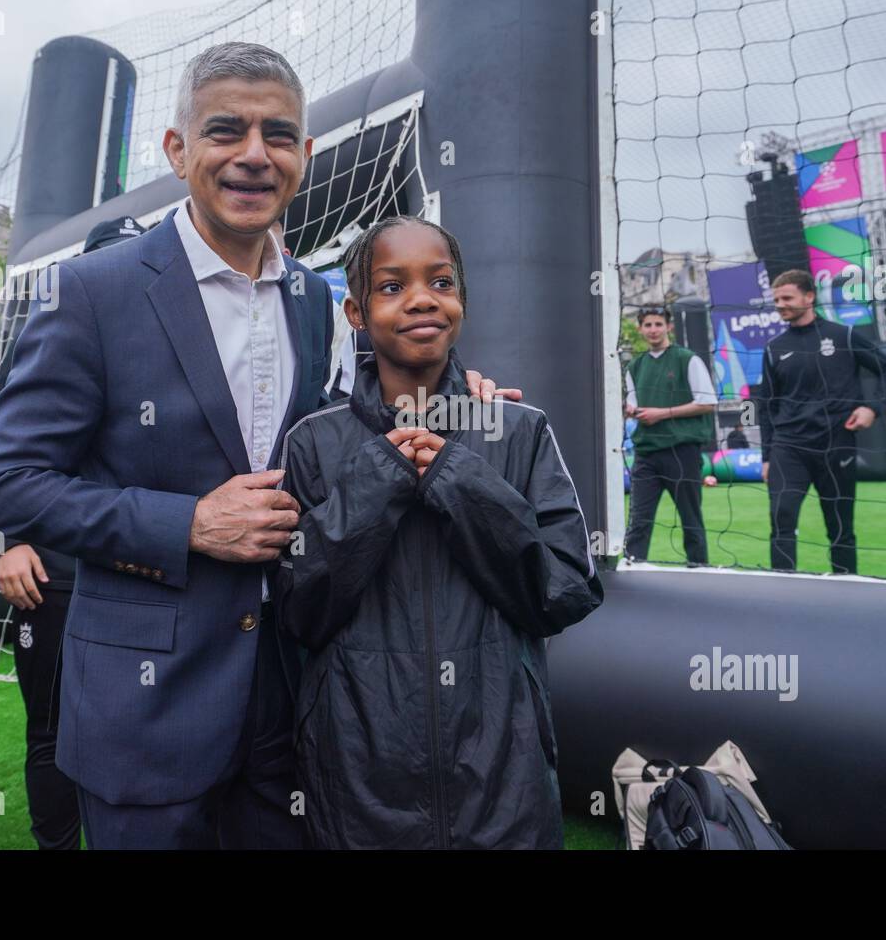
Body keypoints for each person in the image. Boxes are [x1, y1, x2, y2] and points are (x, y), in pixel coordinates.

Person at [0, 42, 516, 849]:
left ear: (305, 154)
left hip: (291, 700)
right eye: (227, 130)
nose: (255, 155)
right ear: (178, 149)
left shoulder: (310, 299)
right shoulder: (92, 292)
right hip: (146, 711)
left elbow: (341, 424)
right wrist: (186, 524)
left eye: (279, 134)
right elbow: (2, 484)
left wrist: (456, 396)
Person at [274, 216, 603, 848]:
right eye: (392, 286)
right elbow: (298, 610)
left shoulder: (519, 429)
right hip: (358, 770)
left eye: (441, 281)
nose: (422, 298)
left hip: (503, 772)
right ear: (355, 312)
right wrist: (377, 482)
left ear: (462, 301)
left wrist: (459, 479)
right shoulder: (314, 441)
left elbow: (563, 591)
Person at [0, 216, 144, 851]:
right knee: (51, 729)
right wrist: (11, 541)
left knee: (142, 724)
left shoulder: (175, 341)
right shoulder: (48, 338)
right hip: (53, 574)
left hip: (142, 569)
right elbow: (2, 466)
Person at [755, 269, 886, 574]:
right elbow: (766, 406)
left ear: (809, 297)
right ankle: (783, 587)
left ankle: (846, 587)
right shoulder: (773, 348)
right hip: (788, 447)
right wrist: (767, 456)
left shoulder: (843, 335)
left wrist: (872, 408)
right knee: (781, 515)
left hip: (836, 444)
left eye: (787, 298)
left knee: (839, 525)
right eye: (776, 299)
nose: (780, 304)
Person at [622, 307, 716, 565]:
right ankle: (632, 567)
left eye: (658, 324)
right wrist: (630, 410)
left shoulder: (688, 359)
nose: (653, 329)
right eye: (648, 324)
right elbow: (634, 402)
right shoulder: (635, 365)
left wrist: (662, 414)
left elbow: (707, 403)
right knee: (638, 519)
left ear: (668, 327)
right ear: (640, 328)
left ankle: (699, 568)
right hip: (646, 453)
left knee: (690, 519)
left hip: (681, 451)